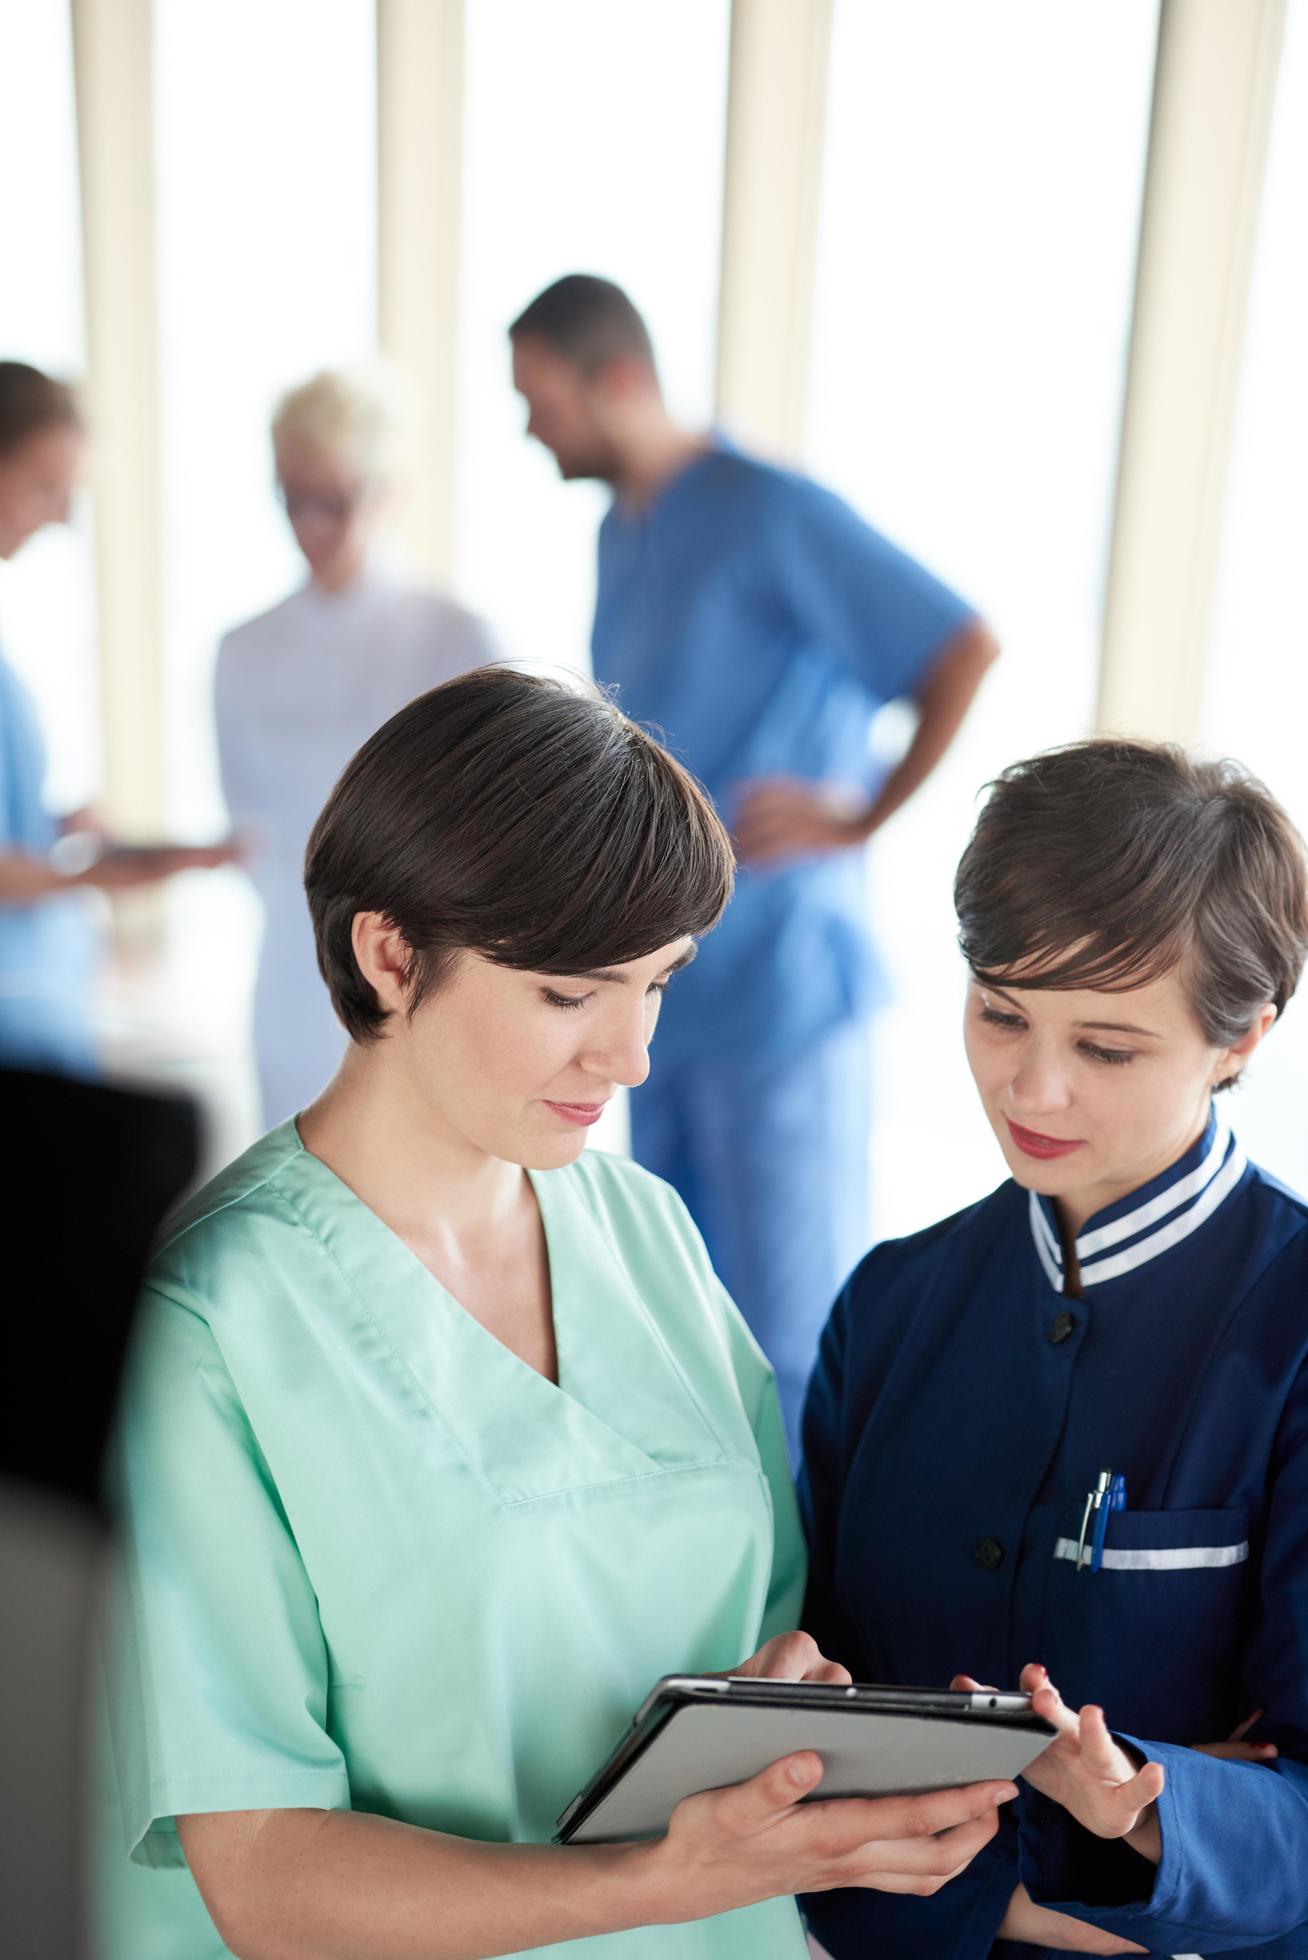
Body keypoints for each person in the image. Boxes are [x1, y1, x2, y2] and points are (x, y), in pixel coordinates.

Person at [100, 668, 1018, 1959]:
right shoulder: (214, 1327)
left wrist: (807, 1723)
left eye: (659, 984)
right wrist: (658, 1881)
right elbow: (258, 1867)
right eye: (571, 993)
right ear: (391, 953)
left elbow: (771, 1609)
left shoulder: (639, 1229)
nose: (631, 1055)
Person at [800, 740, 1308, 1958]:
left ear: (1242, 1040)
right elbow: (807, 1729)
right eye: (1000, 1013)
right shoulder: (890, 1302)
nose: (1033, 1087)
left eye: (1108, 1047)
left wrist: (1145, 1812)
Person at [510, 274, 999, 1459]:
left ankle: (813, 1610)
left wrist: (863, 815)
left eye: (542, 402)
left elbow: (961, 644)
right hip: (656, 998)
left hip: (779, 985)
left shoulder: (771, 510)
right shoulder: (618, 536)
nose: (531, 431)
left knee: (790, 1331)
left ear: (616, 380)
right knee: (678, 1317)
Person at [215, 365, 498, 1127]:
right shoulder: (240, 652)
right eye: (292, 500)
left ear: (387, 490)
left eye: (333, 502)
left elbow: (490, 846)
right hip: (287, 986)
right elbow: (252, 833)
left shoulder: (458, 639)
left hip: (427, 988)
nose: (311, 527)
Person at [0, 360, 234, 1076]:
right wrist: (98, 877)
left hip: (44, 998)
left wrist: (60, 828)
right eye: (45, 487)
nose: (61, 514)